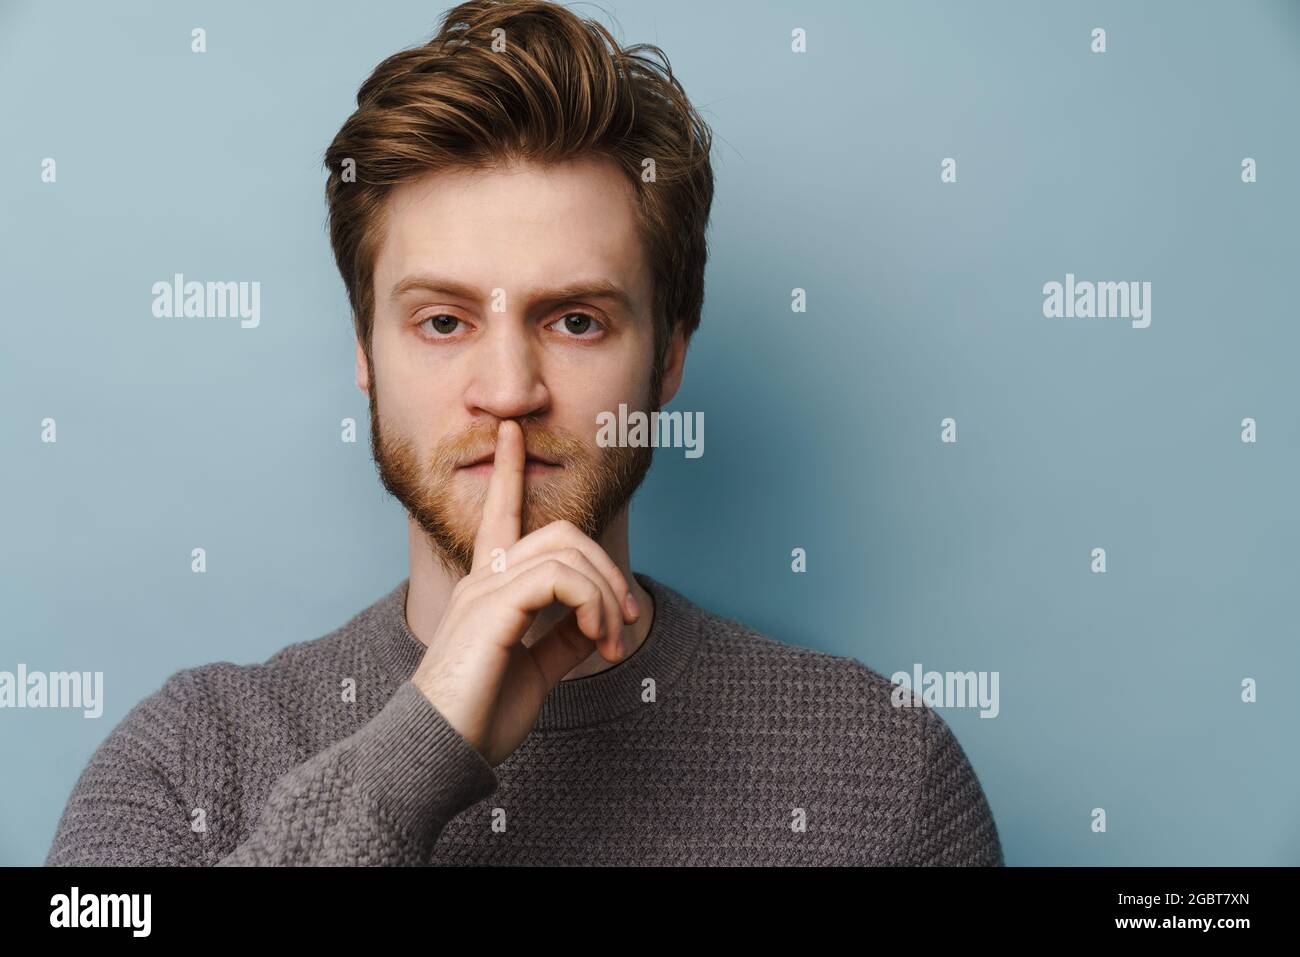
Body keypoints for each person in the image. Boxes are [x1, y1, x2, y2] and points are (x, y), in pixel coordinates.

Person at [45, 0, 1003, 866]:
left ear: (668, 357)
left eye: (576, 320)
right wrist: (416, 749)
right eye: (443, 321)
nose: (508, 392)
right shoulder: (184, 765)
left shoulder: (881, 772)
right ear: (365, 353)